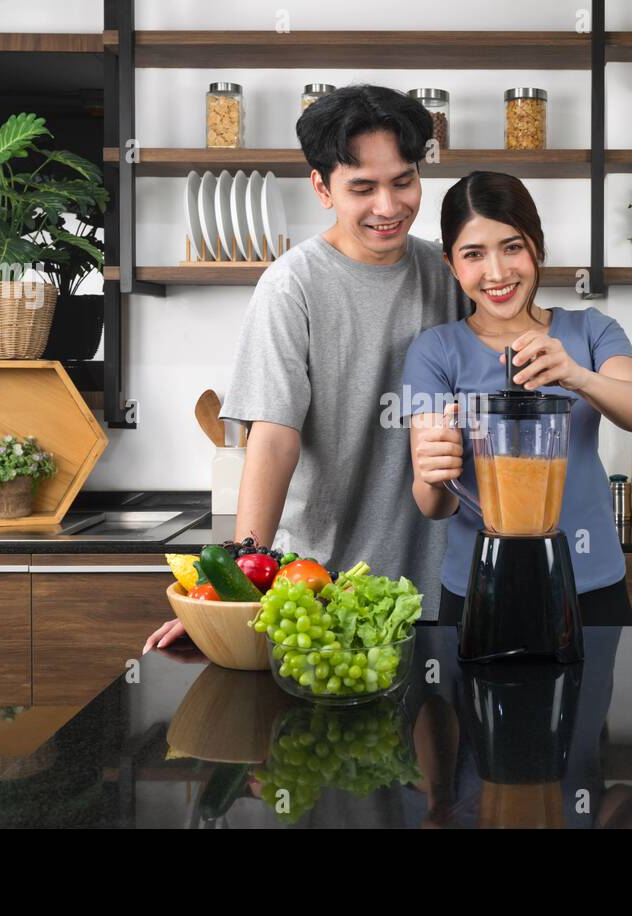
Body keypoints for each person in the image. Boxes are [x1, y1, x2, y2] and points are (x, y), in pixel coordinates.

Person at [144, 85, 471, 653]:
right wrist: (236, 591)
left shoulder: (448, 274)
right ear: (321, 187)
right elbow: (271, 443)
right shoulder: (291, 285)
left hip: (442, 590)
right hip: (320, 592)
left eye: (403, 181)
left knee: (437, 738)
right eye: (362, 188)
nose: (388, 207)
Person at [403, 171, 632, 626]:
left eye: (512, 247)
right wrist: (432, 472)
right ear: (451, 264)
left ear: (537, 247)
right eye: (474, 254)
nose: (497, 272)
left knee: (588, 699)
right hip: (479, 588)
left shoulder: (591, 330)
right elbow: (434, 504)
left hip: (590, 585)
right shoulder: (435, 350)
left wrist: (577, 376)